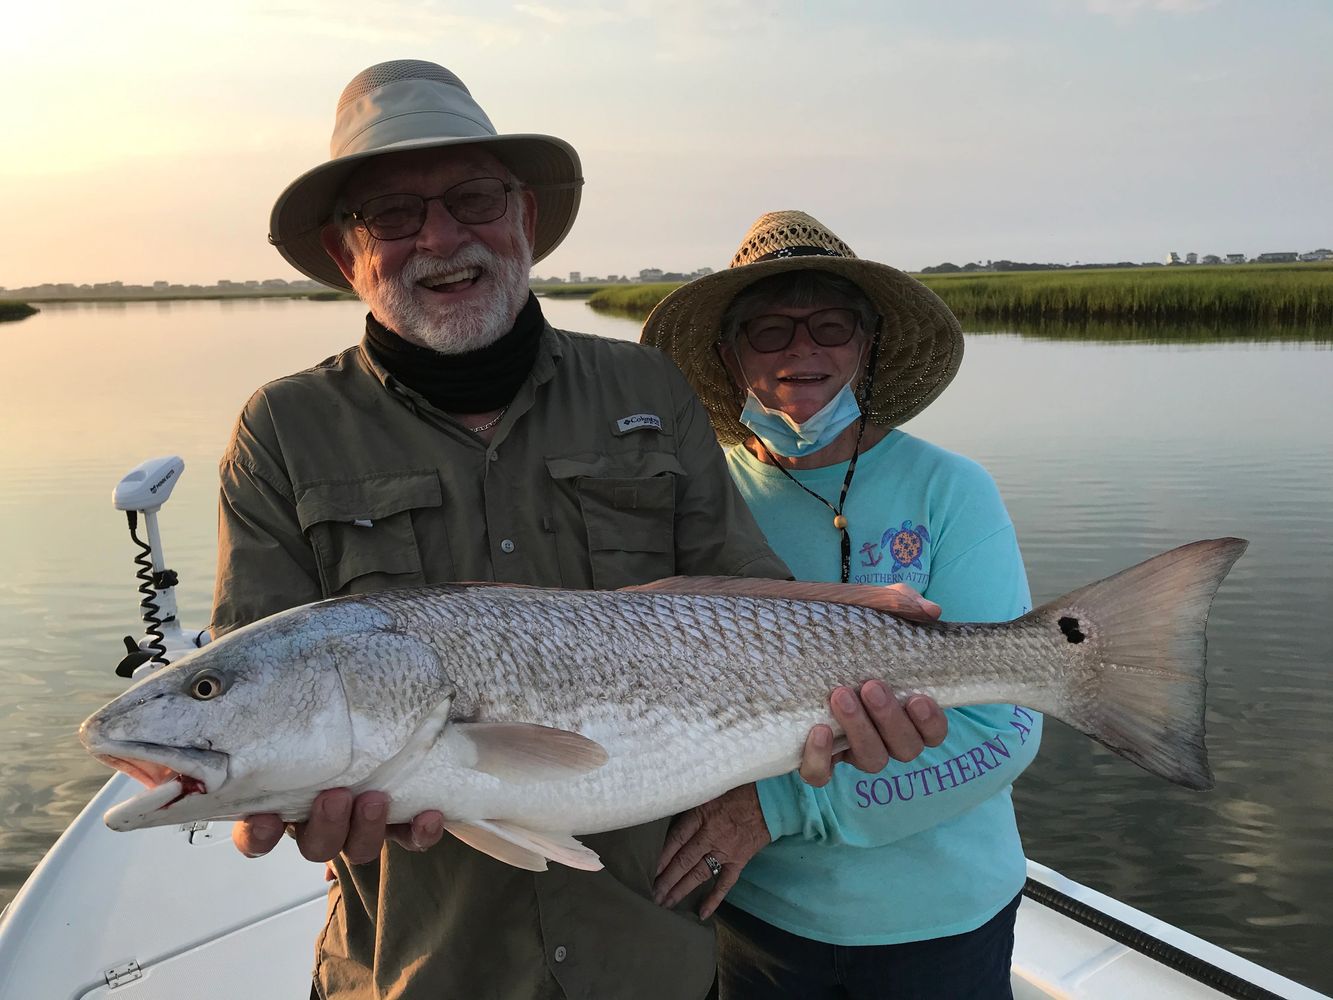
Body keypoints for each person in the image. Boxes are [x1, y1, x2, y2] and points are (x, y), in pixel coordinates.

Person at [214, 64, 944, 1000]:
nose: (441, 236)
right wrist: (268, 805)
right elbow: (255, 686)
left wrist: (818, 743)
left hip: (648, 952)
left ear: (522, 216)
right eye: (392, 212)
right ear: (343, 248)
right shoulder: (284, 428)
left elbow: (744, 600)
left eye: (474, 197)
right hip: (415, 965)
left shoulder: (645, 391)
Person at [641, 211, 1045, 999]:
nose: (802, 349)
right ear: (727, 356)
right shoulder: (689, 496)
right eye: (768, 330)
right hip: (754, 916)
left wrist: (770, 809)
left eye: (830, 325)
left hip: (942, 916)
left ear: (865, 344)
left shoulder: (949, 489)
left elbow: (1009, 725)